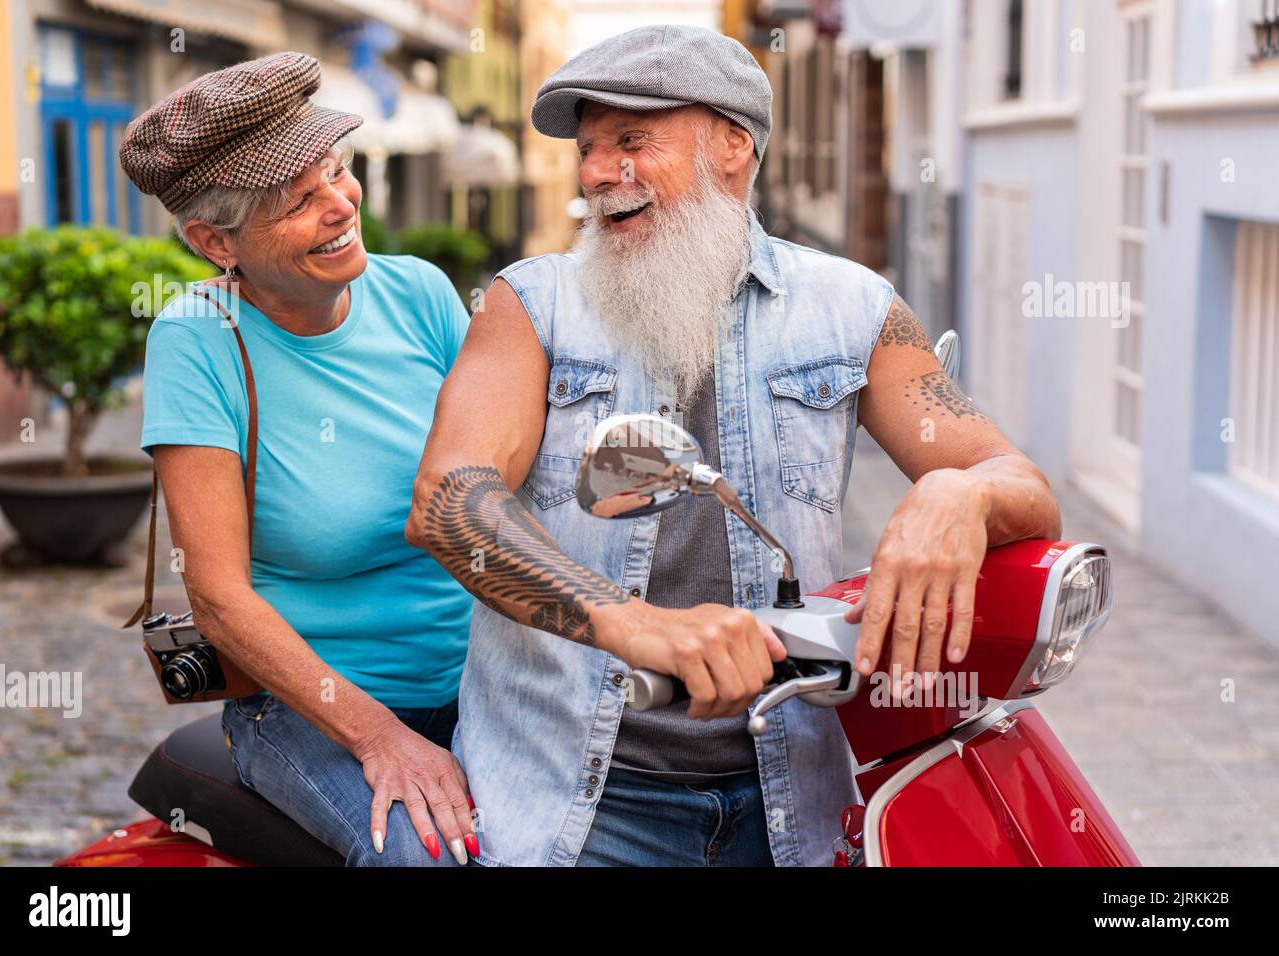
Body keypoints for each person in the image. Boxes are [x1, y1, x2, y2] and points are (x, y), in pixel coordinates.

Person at [404, 25, 1062, 866]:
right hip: (580, 803)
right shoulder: (530, 304)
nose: (598, 173)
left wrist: (960, 494)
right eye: (590, 148)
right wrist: (635, 626)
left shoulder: (854, 307)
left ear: (733, 147)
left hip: (792, 795)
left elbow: (1022, 485)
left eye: (632, 142)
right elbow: (448, 501)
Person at [120, 52, 477, 866]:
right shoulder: (196, 340)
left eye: (337, 174)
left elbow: (507, 486)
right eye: (298, 200)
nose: (339, 206)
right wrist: (379, 735)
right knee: (428, 859)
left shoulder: (420, 294)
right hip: (307, 705)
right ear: (215, 240)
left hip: (484, 682)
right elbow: (216, 597)